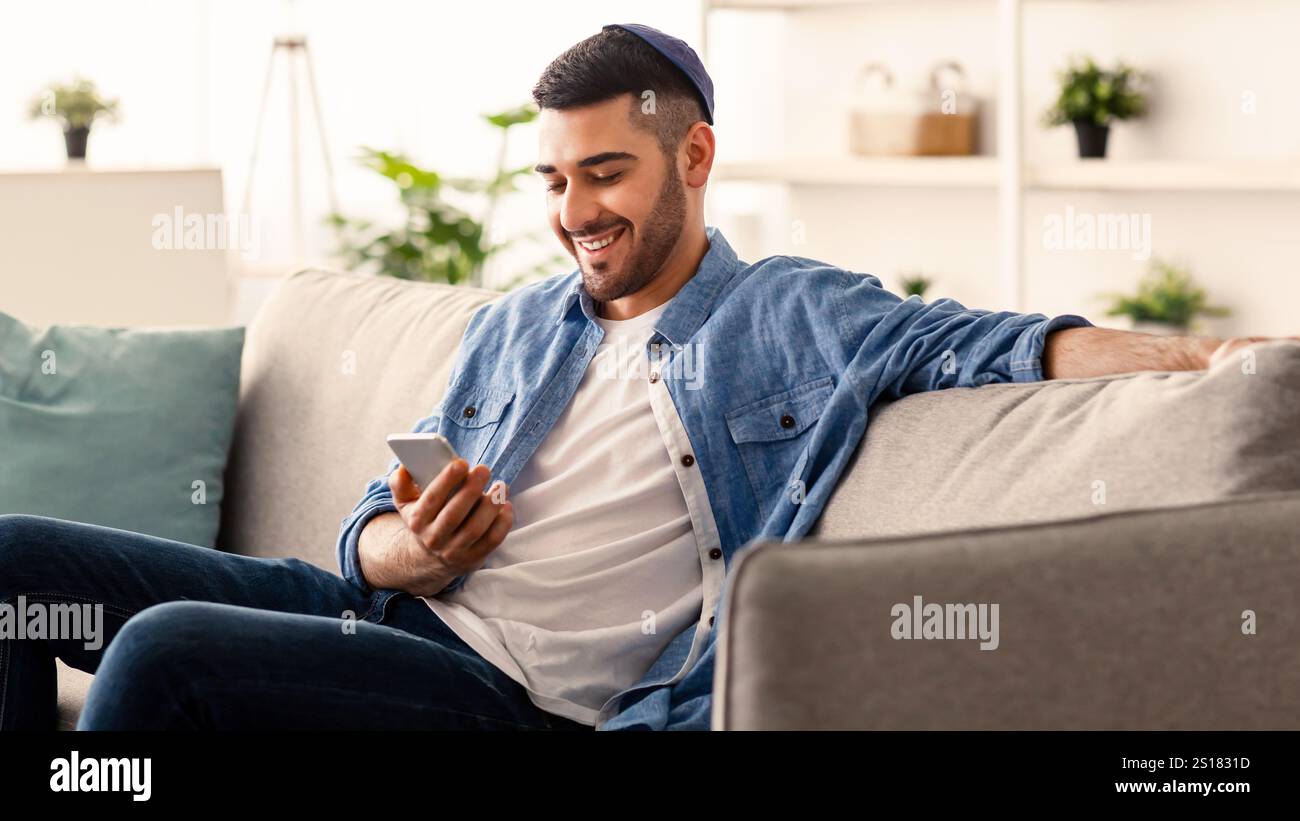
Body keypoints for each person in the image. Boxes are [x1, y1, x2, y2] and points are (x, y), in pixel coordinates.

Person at [0, 23, 1282, 731]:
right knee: (9, 562)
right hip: (387, 609)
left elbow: (1000, 338)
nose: (574, 211)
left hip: (506, 694)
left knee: (163, 654)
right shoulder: (518, 325)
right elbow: (368, 528)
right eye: (555, 180)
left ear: (695, 155)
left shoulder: (791, 311)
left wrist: (1222, 357)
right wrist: (406, 547)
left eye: (605, 172)